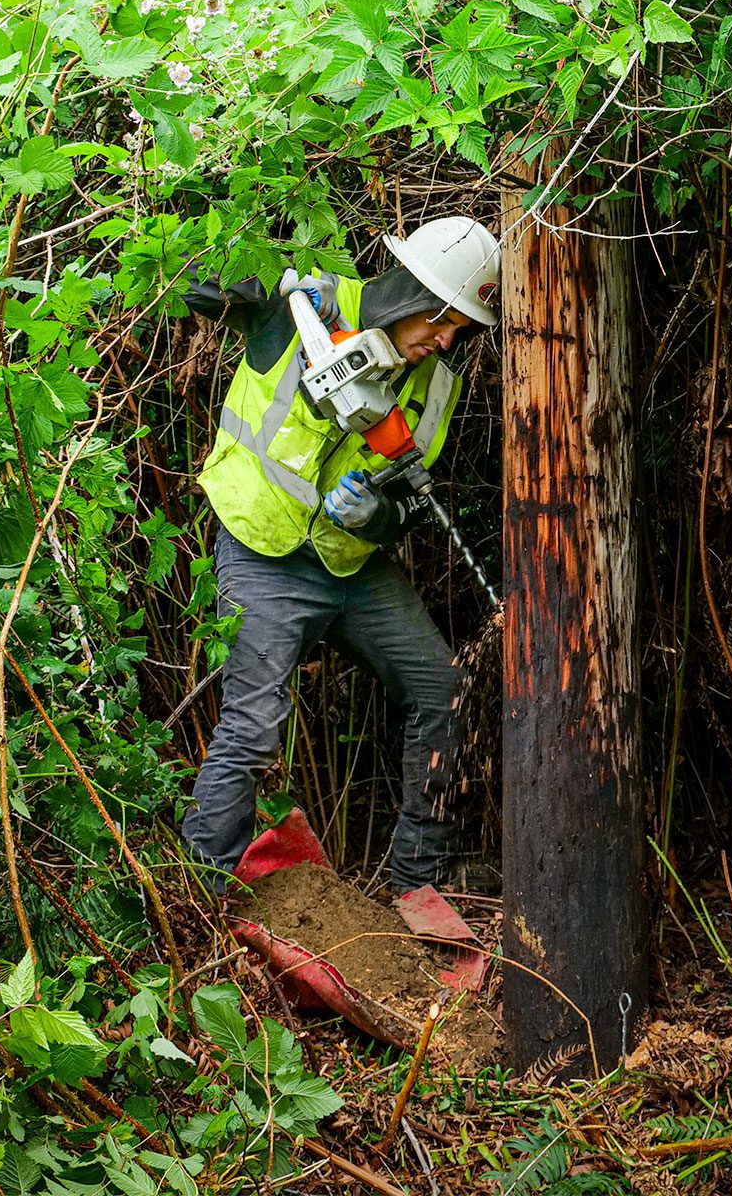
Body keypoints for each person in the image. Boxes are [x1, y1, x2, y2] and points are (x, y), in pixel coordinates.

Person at [179, 216, 500, 897]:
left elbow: (412, 505)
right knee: (253, 726)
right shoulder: (308, 309)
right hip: (263, 548)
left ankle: (418, 888)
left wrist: (378, 516)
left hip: (352, 566)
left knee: (443, 692)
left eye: (461, 330)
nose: (447, 340)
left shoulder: (436, 389)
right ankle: (201, 897)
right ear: (412, 289)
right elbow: (190, 282)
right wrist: (272, 285)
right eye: (443, 319)